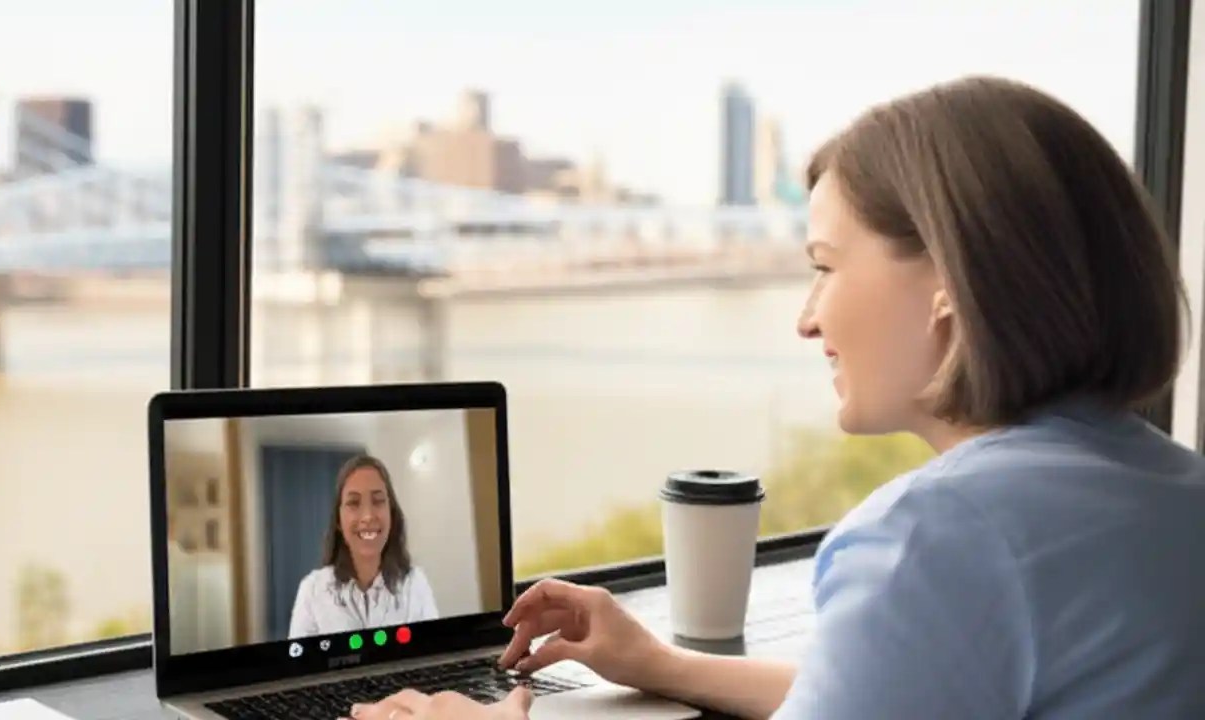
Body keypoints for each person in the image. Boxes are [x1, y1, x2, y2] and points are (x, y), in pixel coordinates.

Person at [345, 75, 1205, 720]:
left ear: (948, 279)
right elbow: (893, 692)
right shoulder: (1176, 493)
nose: (806, 318)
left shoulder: (937, 537)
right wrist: (660, 662)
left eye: (825, 267)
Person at [289, 453, 439, 638]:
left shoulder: (415, 583)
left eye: (377, 501)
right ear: (338, 520)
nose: (367, 516)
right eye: (353, 503)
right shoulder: (312, 591)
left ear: (391, 514)